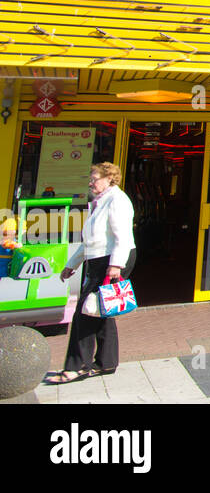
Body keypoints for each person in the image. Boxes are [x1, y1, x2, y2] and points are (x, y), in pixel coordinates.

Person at [45, 162, 136, 384]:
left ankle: (77, 366)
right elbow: (91, 240)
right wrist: (72, 264)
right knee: (101, 309)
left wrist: (116, 265)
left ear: (109, 179)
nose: (90, 182)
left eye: (94, 178)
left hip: (111, 259)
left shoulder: (117, 200)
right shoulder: (100, 201)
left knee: (84, 314)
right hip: (100, 258)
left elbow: (122, 236)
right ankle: (106, 362)